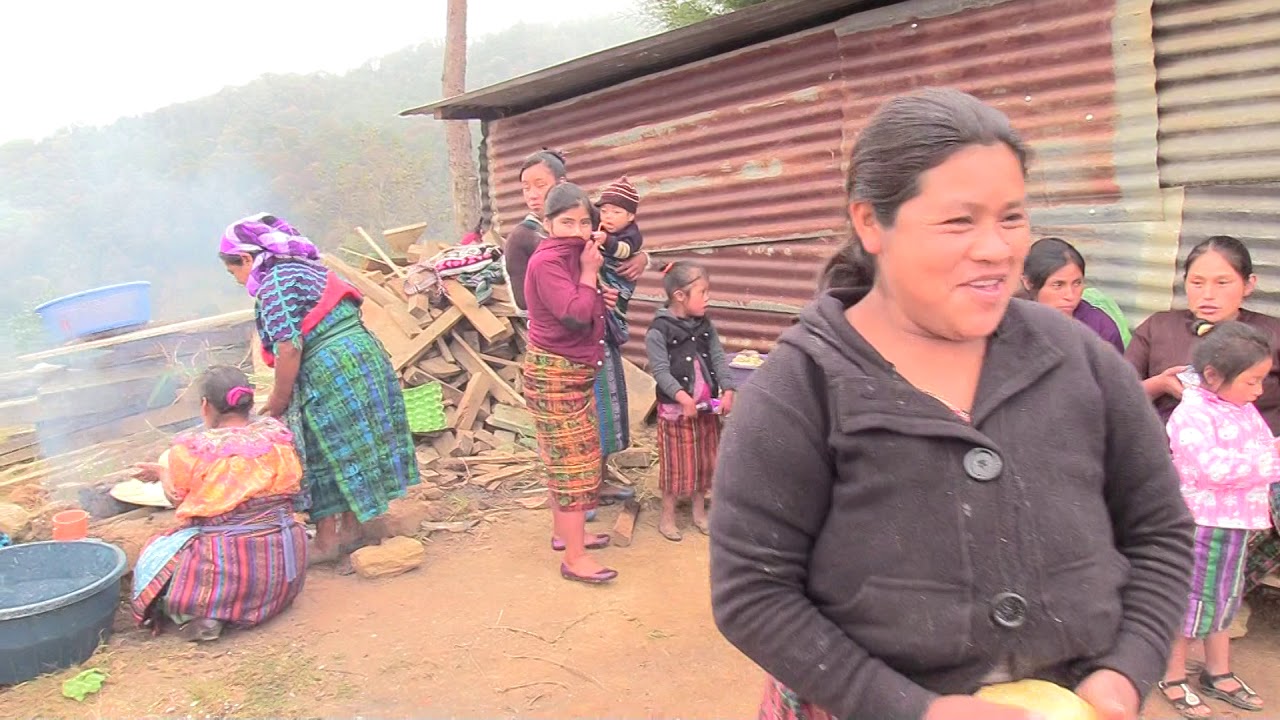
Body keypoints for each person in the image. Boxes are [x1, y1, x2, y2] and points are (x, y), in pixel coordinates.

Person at [709, 88, 1194, 720]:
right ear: (870, 223)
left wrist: (1127, 669)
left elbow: (1159, 531)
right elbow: (753, 591)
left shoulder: (1081, 360)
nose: (996, 248)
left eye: (1012, 218)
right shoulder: (801, 387)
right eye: (959, 221)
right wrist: (913, 708)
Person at [219, 213, 418, 570]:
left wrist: (277, 401)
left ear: (246, 258)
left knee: (317, 449)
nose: (235, 279)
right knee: (352, 446)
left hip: (331, 367)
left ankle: (327, 540)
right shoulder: (307, 268)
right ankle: (353, 529)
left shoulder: (275, 283)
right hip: (362, 356)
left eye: (232, 270)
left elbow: (288, 347)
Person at [1126, 235, 1280, 595]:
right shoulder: (1159, 328)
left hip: (1256, 467)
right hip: (1177, 464)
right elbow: (1113, 394)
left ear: (1249, 285)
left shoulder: (1272, 334)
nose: (1207, 294)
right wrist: (1159, 385)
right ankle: (1198, 594)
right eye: (1196, 282)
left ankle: (1217, 590)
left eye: (1222, 282)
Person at [130, 367, 308, 642]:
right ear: (249, 403)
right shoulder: (276, 437)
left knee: (158, 549)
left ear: (205, 405)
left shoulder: (192, 450)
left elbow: (177, 497)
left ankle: (207, 612)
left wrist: (163, 473)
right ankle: (260, 601)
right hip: (282, 567)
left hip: (227, 560)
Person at [1158, 321, 1274, 717]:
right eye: (1252, 381)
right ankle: (1172, 675)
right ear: (1213, 376)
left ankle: (1217, 671)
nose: (1259, 390)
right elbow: (1213, 469)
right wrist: (1273, 460)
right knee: (1191, 601)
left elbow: (1262, 448)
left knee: (1225, 598)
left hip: (1235, 525)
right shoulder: (1191, 414)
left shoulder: (1242, 408)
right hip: (1203, 526)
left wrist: (1273, 453)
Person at [521, 183, 618, 584]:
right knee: (574, 464)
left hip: (573, 371)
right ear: (547, 224)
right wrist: (591, 276)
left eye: (583, 223)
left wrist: (598, 297)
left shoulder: (573, 256)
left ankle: (567, 535)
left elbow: (582, 304)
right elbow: (574, 315)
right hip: (556, 374)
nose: (577, 231)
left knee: (566, 458)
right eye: (566, 222)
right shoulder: (549, 261)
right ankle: (575, 558)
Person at [645, 261, 735, 541]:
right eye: (703, 292)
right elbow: (661, 371)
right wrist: (683, 398)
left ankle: (699, 512)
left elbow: (718, 357)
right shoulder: (659, 330)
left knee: (705, 460)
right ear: (680, 296)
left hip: (706, 407)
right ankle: (667, 516)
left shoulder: (705, 325)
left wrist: (728, 389)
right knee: (676, 463)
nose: (708, 298)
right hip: (677, 410)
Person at [1021, 237, 1125, 352]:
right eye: (1058, 285)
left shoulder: (1100, 329)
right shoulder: (1013, 324)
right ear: (1028, 283)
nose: (1070, 296)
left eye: (1077, 283)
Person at [593, 176, 645, 347]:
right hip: (604, 278)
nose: (609, 217)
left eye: (616, 212)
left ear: (630, 216)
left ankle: (618, 329)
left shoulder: (632, 233)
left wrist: (606, 241)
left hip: (620, 276)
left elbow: (624, 251)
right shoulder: (600, 227)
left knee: (616, 305)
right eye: (604, 211)